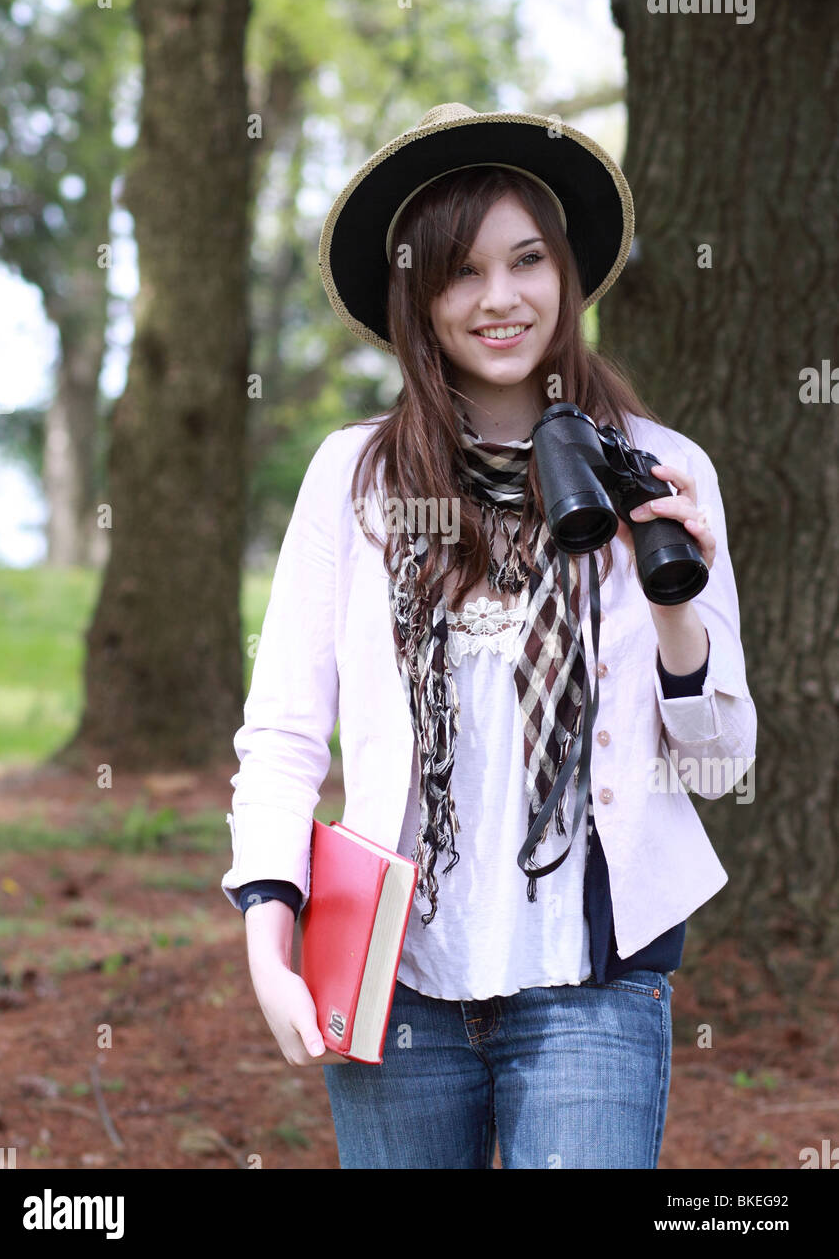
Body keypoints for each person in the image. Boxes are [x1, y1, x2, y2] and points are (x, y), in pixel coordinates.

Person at [221, 103, 757, 1169]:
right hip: (394, 980)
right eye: (460, 271)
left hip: (590, 986)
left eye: (525, 261)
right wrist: (267, 942)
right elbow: (284, 733)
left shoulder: (656, 466)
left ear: (564, 272)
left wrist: (671, 608)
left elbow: (719, 761)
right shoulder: (355, 476)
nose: (500, 298)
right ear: (416, 297)